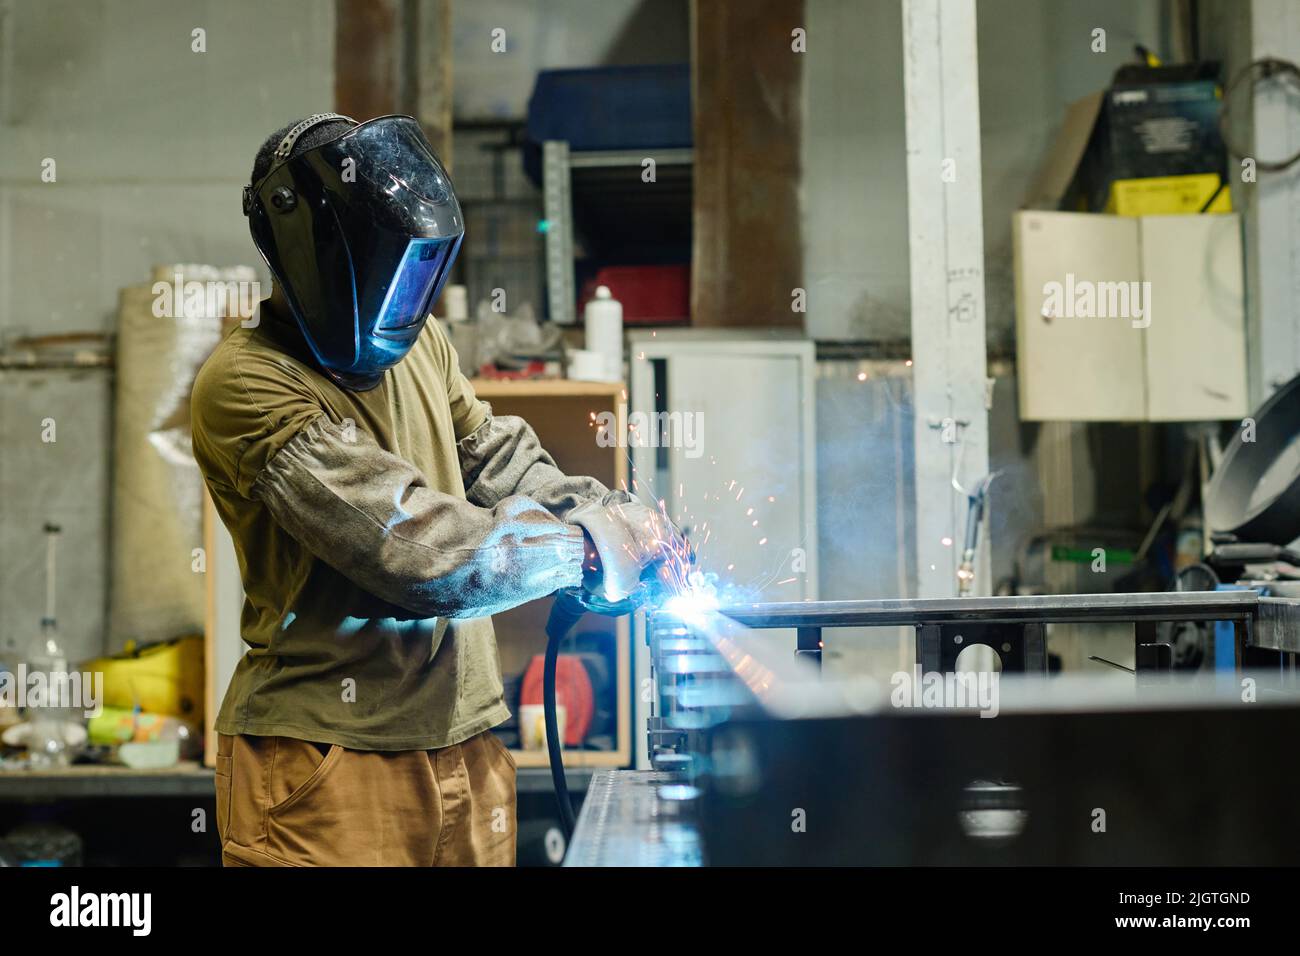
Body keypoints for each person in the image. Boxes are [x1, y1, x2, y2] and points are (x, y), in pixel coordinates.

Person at [191, 113, 681, 866]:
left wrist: (599, 510)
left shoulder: (421, 348)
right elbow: (416, 551)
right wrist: (584, 552)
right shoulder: (247, 383)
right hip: (328, 760)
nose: (402, 301)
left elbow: (493, 454)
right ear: (317, 257)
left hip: (471, 747)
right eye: (387, 271)